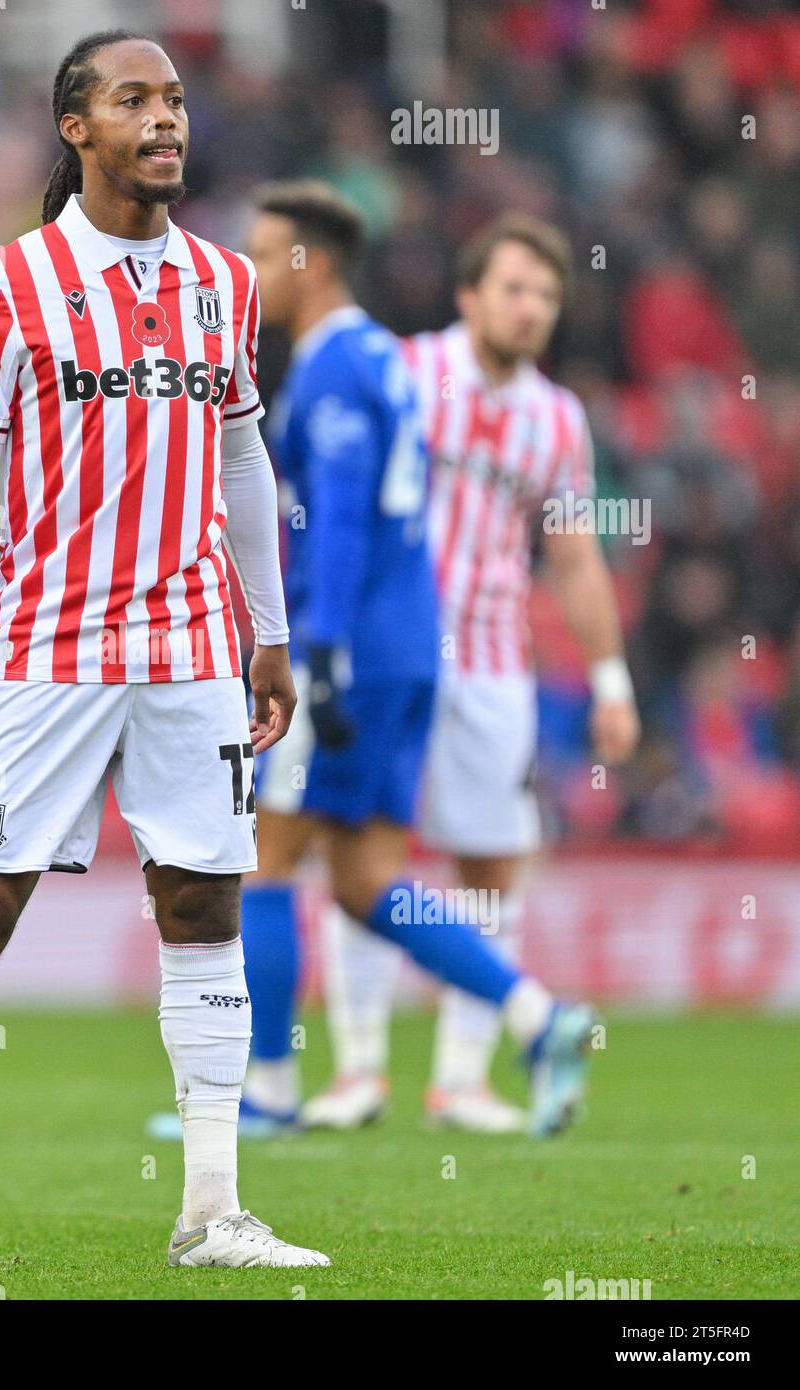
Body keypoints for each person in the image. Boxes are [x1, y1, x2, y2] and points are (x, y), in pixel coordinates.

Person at [0, 30, 329, 1272]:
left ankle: (212, 1208)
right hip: (47, 647)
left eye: (172, 99)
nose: (165, 119)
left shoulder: (223, 281)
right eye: (132, 100)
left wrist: (268, 634)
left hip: (194, 646)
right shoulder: (7, 283)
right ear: (75, 127)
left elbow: (240, 463)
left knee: (203, 898)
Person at [302, 213, 640, 1134]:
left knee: (492, 862)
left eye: (546, 295)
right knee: (361, 848)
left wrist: (609, 679)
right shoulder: (408, 373)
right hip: (392, 651)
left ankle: (460, 1082)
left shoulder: (558, 420)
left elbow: (572, 556)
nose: (531, 309)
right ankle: (357, 1072)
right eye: (515, 288)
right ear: (469, 295)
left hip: (494, 665)